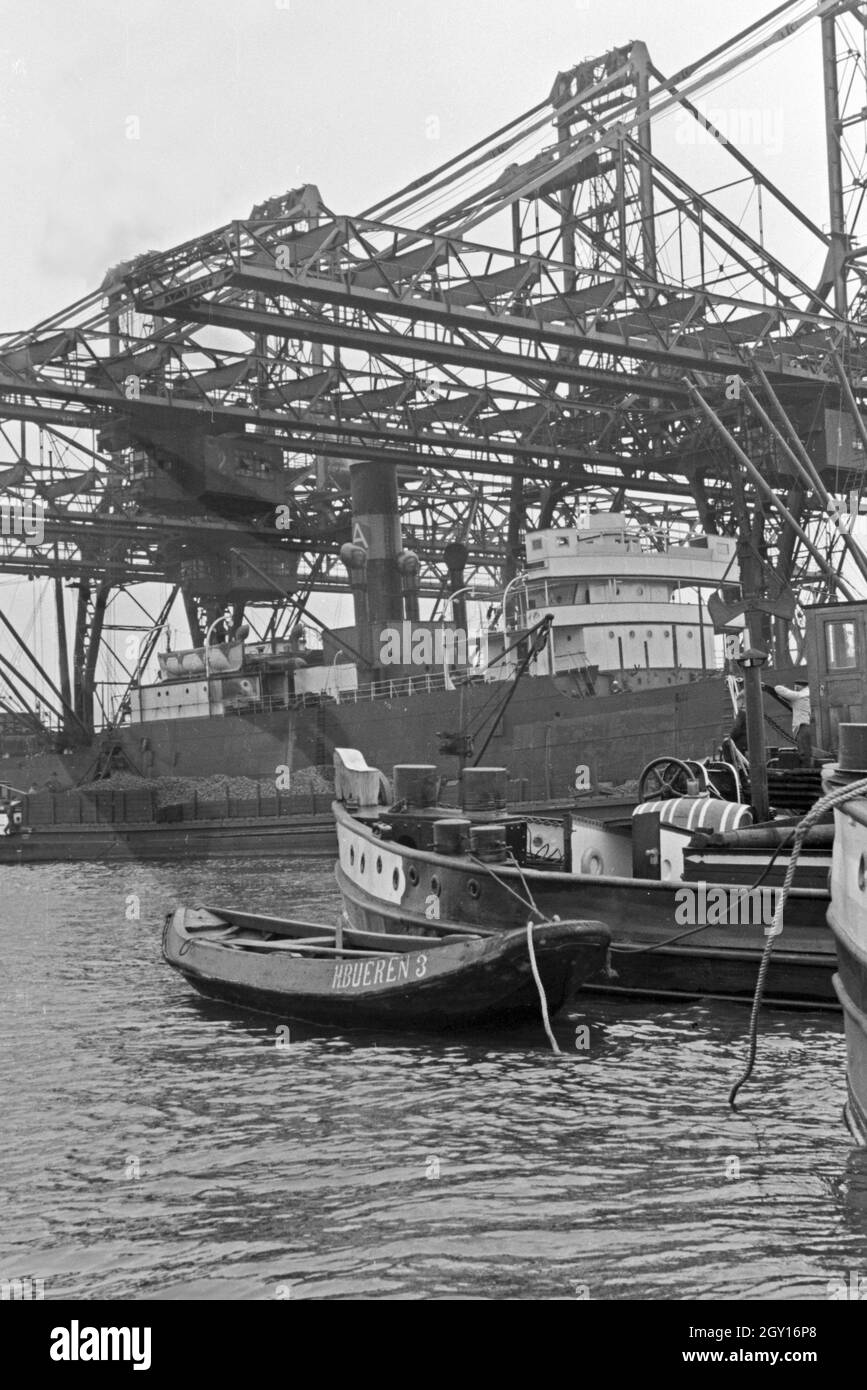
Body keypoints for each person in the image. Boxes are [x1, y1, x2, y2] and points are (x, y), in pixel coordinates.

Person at [762, 682, 812, 766]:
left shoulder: (799, 696)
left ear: (801, 686)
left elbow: (778, 689)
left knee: (803, 753)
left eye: (796, 686)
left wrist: (778, 687)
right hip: (804, 726)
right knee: (804, 751)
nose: (795, 688)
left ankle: (805, 771)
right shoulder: (804, 697)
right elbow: (788, 700)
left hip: (802, 727)